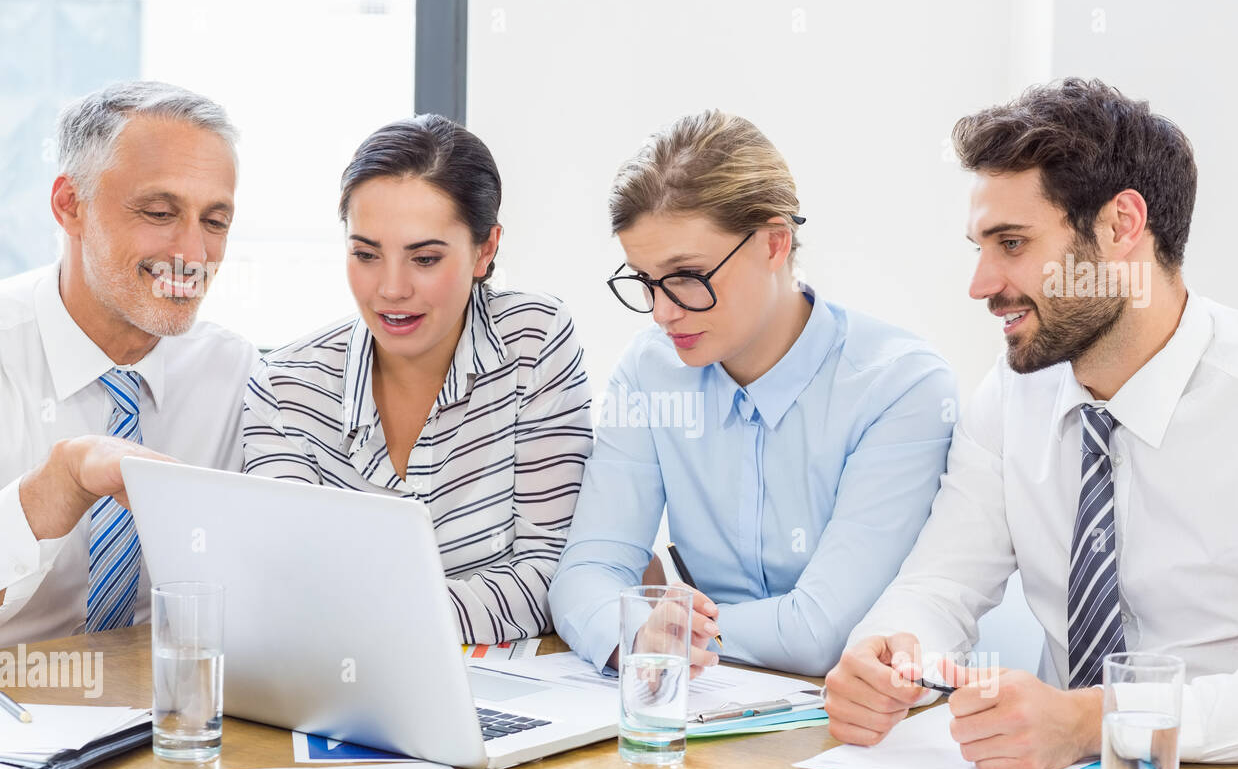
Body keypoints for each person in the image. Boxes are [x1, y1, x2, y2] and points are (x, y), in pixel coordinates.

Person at [825, 78, 1238, 769]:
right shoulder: (1013, 393)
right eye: (979, 247)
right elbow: (941, 585)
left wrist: (1093, 721)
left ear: (1120, 227)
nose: (981, 285)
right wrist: (892, 653)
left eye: (1012, 243)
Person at [548, 110, 958, 677]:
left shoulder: (900, 387)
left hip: (866, 727)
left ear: (773, 242)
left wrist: (666, 635)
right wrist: (639, 634)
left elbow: (821, 633)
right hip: (713, 712)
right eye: (643, 281)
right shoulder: (649, 371)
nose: (662, 312)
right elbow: (585, 571)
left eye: (687, 274)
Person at [241, 115, 592, 644]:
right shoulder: (285, 386)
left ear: (486, 249)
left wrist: (371, 616)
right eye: (365, 254)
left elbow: (553, 575)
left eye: (424, 258)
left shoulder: (533, 342)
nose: (391, 289)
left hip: (501, 693)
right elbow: (281, 588)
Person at [0, 81, 255, 646]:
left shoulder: (236, 375)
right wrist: (53, 491)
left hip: (164, 707)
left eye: (215, 222)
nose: (193, 255)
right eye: (160, 212)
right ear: (70, 205)